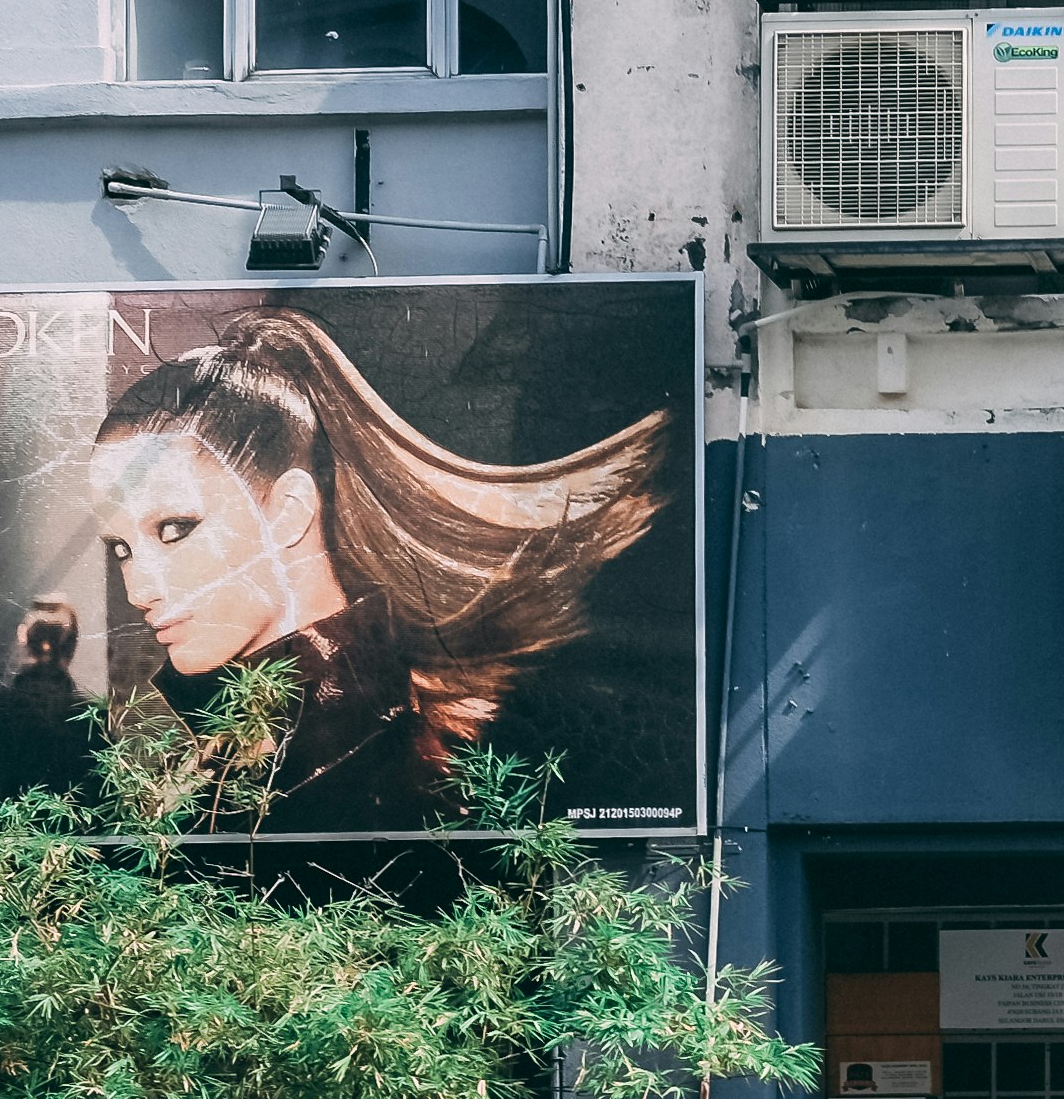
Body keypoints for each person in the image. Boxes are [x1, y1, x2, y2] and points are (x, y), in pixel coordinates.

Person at [88, 309, 673, 830]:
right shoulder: (229, 747)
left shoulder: (381, 763)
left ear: (289, 511)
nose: (140, 590)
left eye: (175, 529)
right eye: (121, 549)